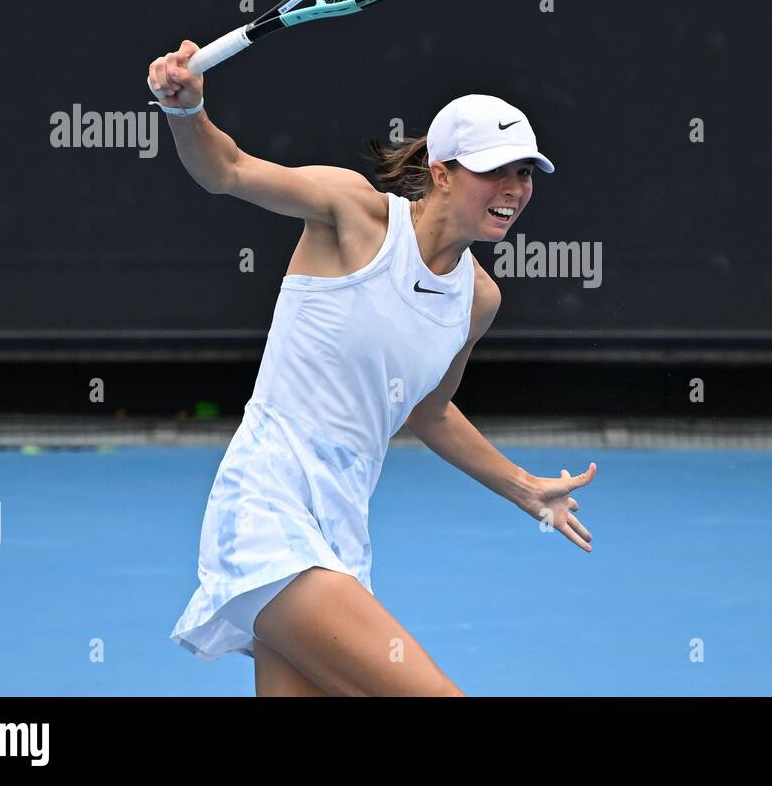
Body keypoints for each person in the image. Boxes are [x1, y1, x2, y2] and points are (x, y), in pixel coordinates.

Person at [149, 40, 597, 696]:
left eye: (525, 173)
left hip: (341, 534)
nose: (515, 189)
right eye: (495, 170)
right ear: (442, 172)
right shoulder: (351, 212)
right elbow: (229, 170)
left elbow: (429, 411)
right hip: (266, 510)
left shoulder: (479, 298)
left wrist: (523, 487)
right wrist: (186, 112)